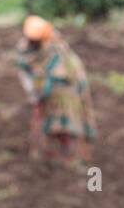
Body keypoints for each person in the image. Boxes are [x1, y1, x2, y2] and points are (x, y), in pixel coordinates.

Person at [15, 15, 96, 165]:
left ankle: (69, 152)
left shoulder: (56, 52)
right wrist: (32, 91)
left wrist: (42, 90)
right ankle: (46, 152)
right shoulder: (24, 49)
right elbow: (25, 71)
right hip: (41, 86)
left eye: (36, 41)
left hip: (64, 84)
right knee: (42, 118)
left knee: (63, 119)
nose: (33, 44)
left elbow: (57, 74)